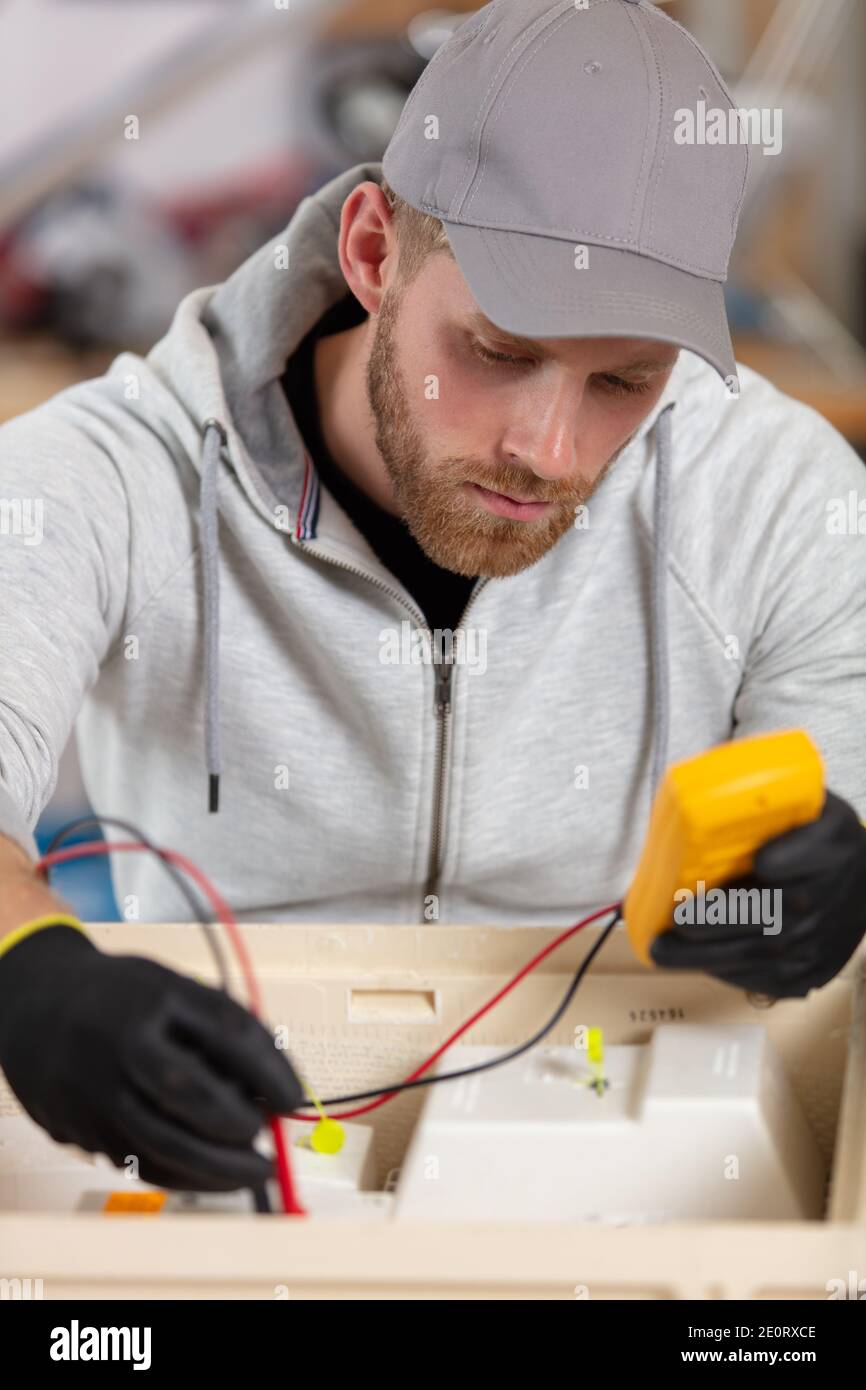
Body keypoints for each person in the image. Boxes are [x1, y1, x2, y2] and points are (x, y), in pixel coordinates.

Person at [0, 0, 864, 1192]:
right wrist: (29, 970)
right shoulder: (108, 474)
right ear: (370, 252)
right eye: (497, 352)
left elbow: (842, 790)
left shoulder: (775, 496)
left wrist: (836, 878)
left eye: (623, 379)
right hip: (207, 1108)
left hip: (624, 1130)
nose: (549, 451)